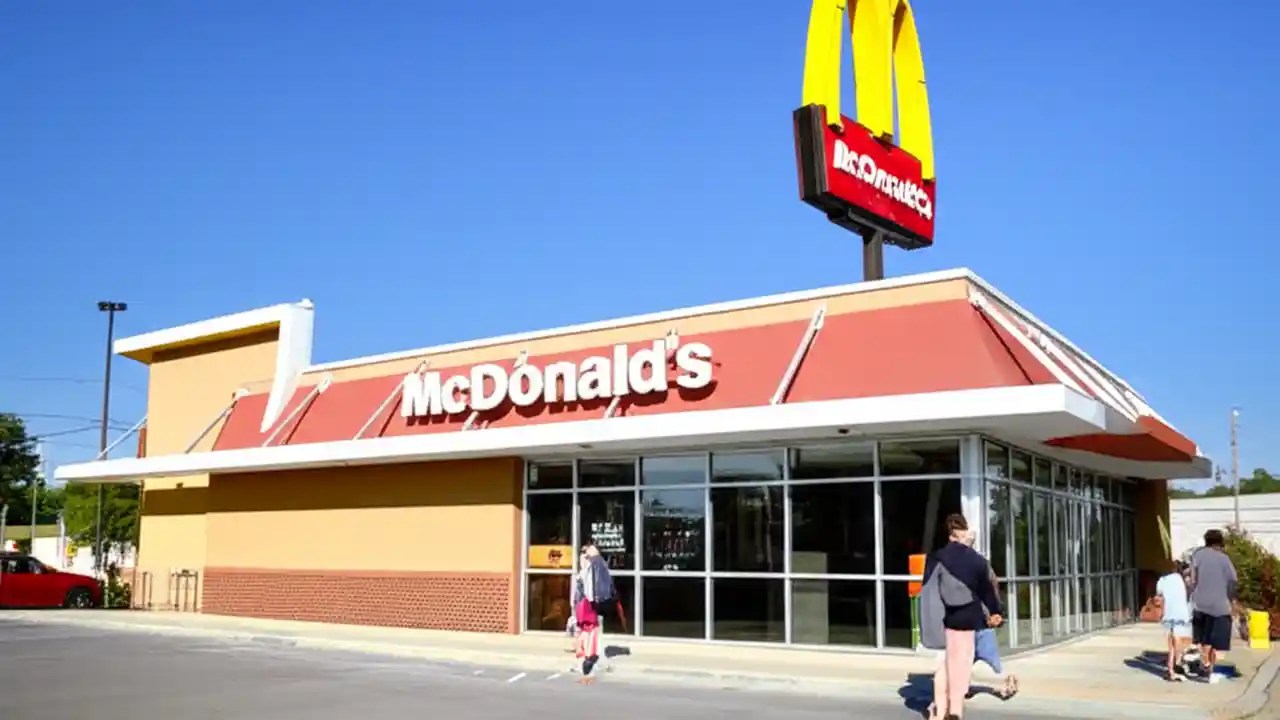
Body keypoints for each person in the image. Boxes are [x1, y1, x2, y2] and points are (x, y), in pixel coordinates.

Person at [923, 514, 1004, 720]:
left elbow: (929, 588)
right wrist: (996, 611)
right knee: (962, 663)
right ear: (964, 532)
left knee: (946, 663)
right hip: (969, 617)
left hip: (947, 616)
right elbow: (987, 590)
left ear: (948, 534)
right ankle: (955, 711)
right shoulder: (977, 560)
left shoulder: (936, 558)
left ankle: (939, 710)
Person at [961, 531, 1017, 699]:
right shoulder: (981, 563)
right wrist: (996, 612)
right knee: (984, 653)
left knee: (968, 654)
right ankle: (1001, 679)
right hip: (979, 617)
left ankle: (1001, 681)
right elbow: (993, 587)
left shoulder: (958, 564)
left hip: (970, 617)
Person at [1190, 529, 1239, 683]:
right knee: (1217, 642)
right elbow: (1233, 580)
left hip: (1200, 603)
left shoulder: (1197, 555)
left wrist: (1191, 595)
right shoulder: (1224, 559)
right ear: (1220, 543)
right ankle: (1209, 668)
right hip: (1220, 606)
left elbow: (1192, 580)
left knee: (1203, 638)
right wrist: (1231, 599)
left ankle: (1205, 665)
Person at [580, 544, 617, 673]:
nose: (583, 556)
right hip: (596, 602)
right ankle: (596, 658)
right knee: (594, 632)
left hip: (593, 603)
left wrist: (593, 601)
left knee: (591, 631)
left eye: (585, 553)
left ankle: (592, 658)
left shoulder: (594, 565)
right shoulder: (598, 564)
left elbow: (592, 585)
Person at [1156, 558, 1194, 681]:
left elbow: (1159, 596)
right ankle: (1177, 662)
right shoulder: (1180, 578)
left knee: (1171, 642)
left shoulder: (1162, 581)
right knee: (1178, 639)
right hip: (1181, 613)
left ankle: (1172, 668)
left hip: (1169, 613)